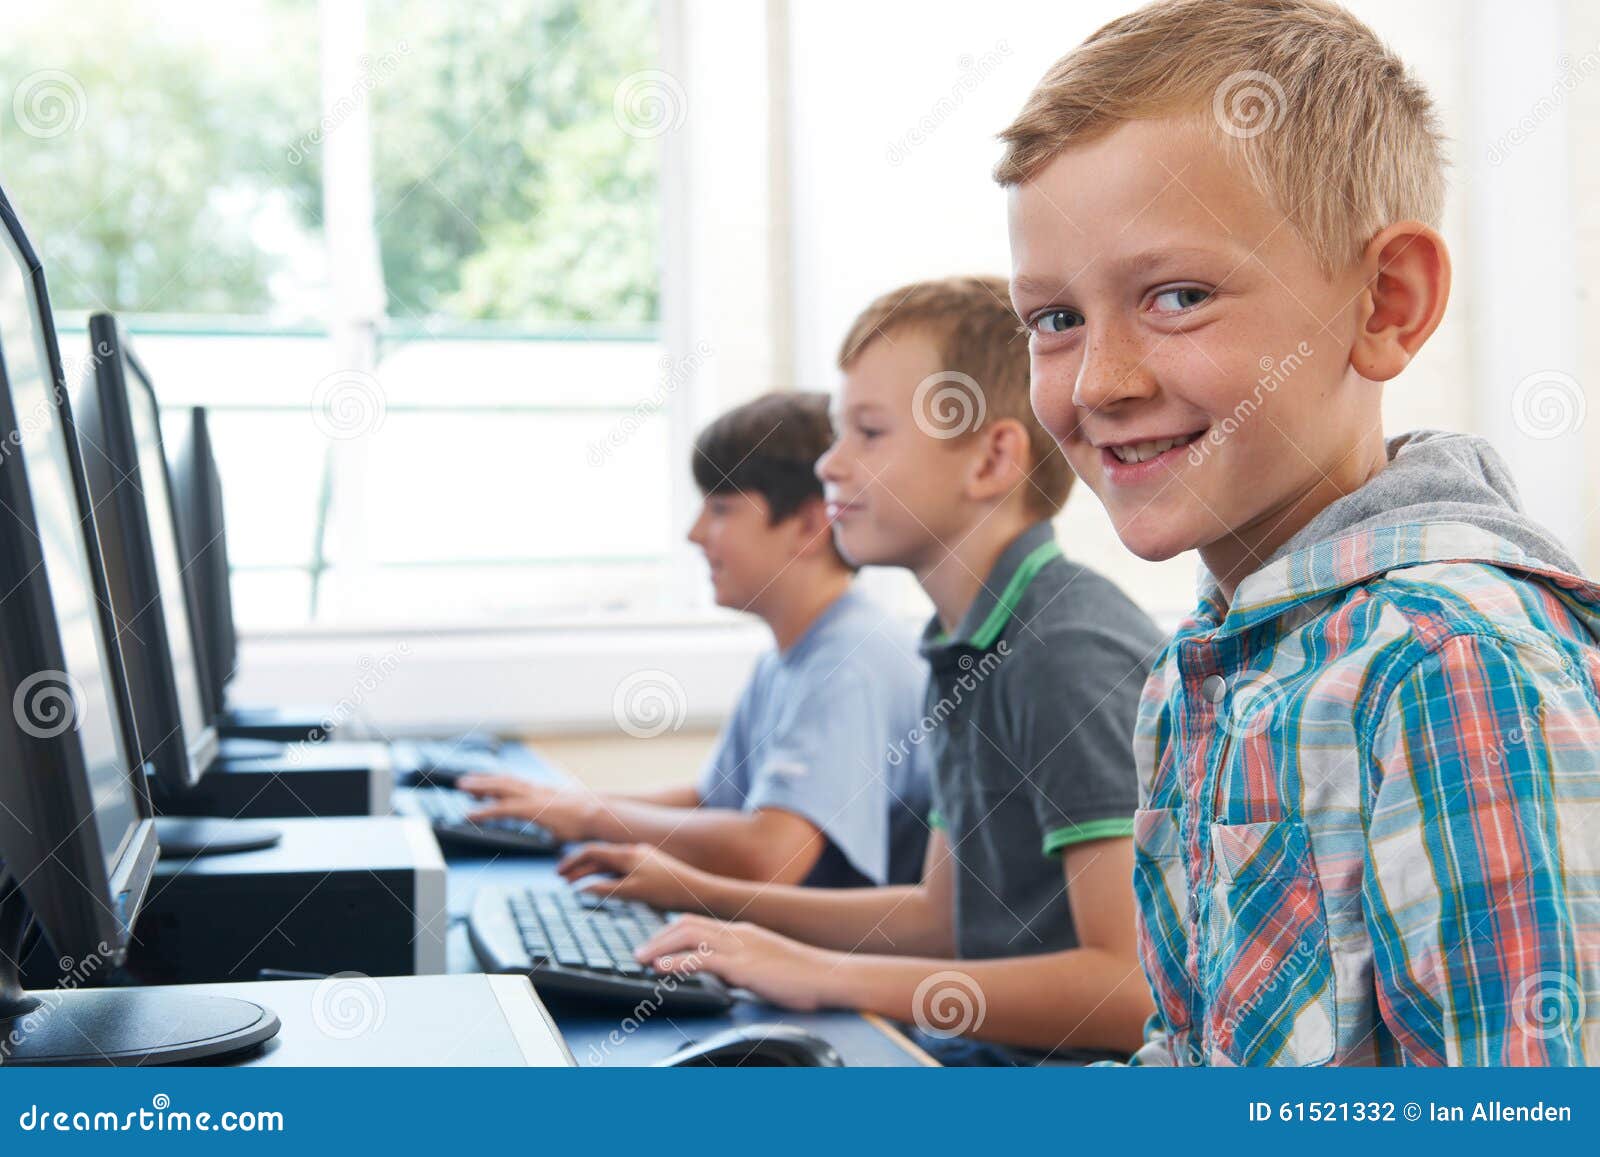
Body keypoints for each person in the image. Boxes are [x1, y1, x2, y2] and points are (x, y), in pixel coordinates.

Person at [1000, 0, 1600, 1063]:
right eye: (1055, 319)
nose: (1100, 381)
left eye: (1177, 296)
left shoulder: (1447, 664)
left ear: (1384, 306)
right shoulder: (1204, 665)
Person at [563, 277, 1166, 1063]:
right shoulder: (963, 642)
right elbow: (940, 917)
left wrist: (825, 974)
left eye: (869, 433)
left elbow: (1131, 993)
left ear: (990, 458)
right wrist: (704, 897)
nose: (829, 465)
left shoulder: (1061, 650)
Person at [464, 391, 931, 888]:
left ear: (810, 525)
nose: (695, 533)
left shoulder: (851, 662)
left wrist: (591, 819)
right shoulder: (790, 654)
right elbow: (713, 801)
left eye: (722, 508)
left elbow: (769, 856)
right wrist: (565, 805)